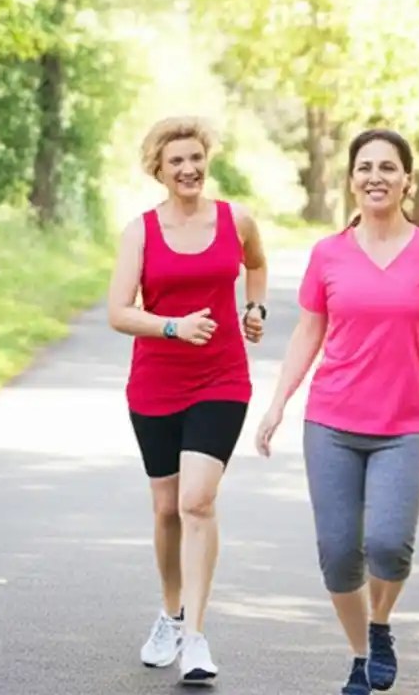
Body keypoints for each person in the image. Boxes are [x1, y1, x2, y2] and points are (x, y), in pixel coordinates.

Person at [255, 128, 419, 695]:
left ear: (407, 181)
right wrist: (277, 403)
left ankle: (380, 624)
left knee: (389, 544)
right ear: (350, 179)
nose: (376, 177)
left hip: (404, 428)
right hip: (332, 423)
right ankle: (362, 655)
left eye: (389, 168)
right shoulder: (328, 253)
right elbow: (307, 334)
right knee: (339, 554)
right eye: (365, 167)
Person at [106, 116, 269, 686]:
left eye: (196, 157)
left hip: (222, 378)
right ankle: (170, 613)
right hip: (156, 381)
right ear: (159, 169)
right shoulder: (142, 231)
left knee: (197, 501)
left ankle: (196, 637)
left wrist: (256, 308)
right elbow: (119, 312)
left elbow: (257, 265)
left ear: (207, 159)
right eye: (176, 160)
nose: (189, 168)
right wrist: (172, 327)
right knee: (167, 507)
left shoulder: (235, 219)